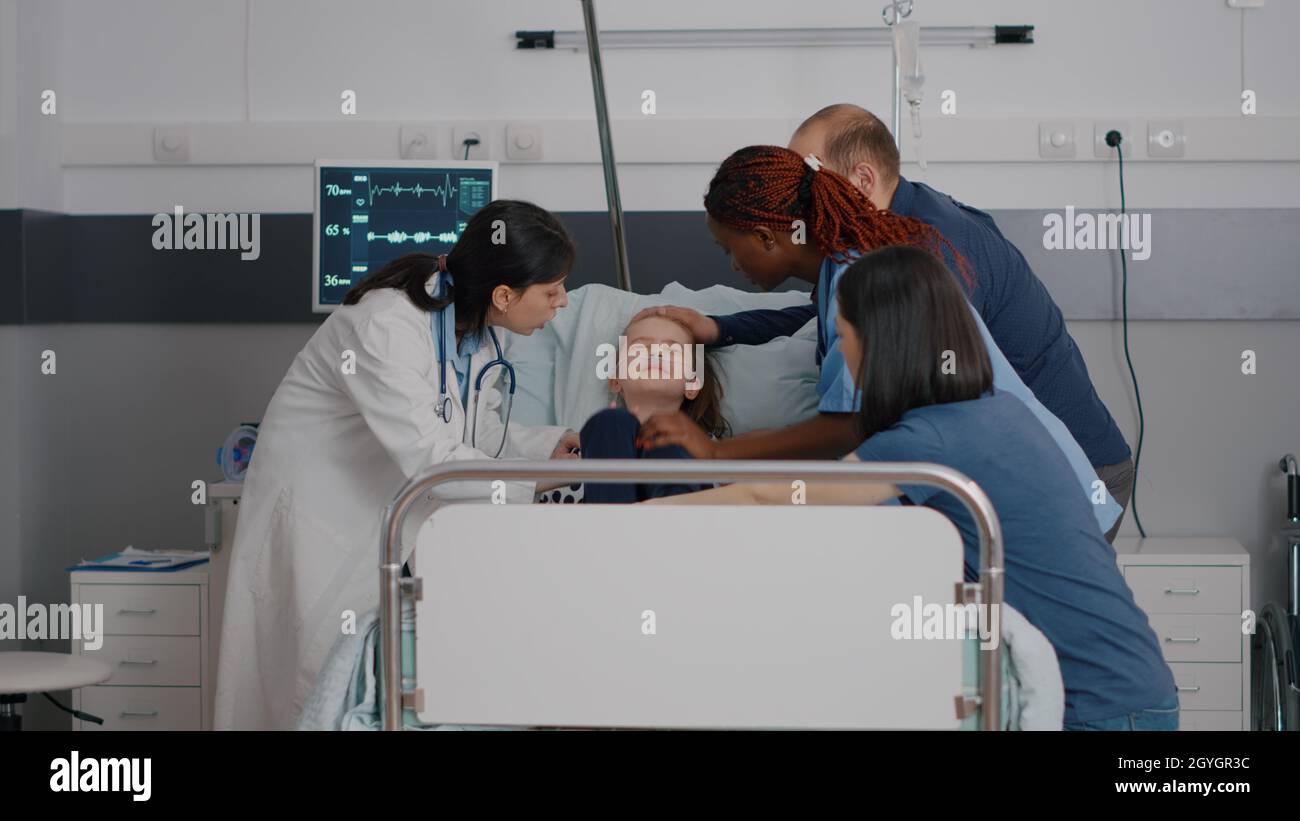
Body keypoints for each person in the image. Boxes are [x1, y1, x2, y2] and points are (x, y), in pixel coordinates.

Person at [651, 246, 1177, 729]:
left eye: (844, 336)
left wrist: (624, 524)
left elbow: (774, 496)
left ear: (882, 342)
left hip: (1102, 708)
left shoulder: (933, 441)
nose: (844, 360)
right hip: (1133, 686)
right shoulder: (993, 411)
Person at [639, 105, 1133, 542]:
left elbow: (849, 425)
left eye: (730, 250)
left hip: (1057, 490)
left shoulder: (904, 260)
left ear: (769, 236)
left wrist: (716, 455)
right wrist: (723, 328)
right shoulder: (855, 259)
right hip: (1005, 488)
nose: (731, 265)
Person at [215, 200, 580, 730]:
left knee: (357, 682)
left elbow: (474, 433)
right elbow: (432, 458)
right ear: (505, 295)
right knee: (315, 680)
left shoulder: (478, 327)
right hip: (320, 520)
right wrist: (542, 485)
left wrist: (550, 446)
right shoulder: (387, 325)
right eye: (553, 290)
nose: (563, 302)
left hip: (380, 512)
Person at [540, 312, 728, 504]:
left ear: (692, 385)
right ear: (616, 380)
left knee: (666, 435)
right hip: (599, 528)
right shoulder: (585, 448)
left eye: (672, 351)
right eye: (640, 348)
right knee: (609, 422)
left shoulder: (714, 451)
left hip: (686, 526)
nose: (656, 353)